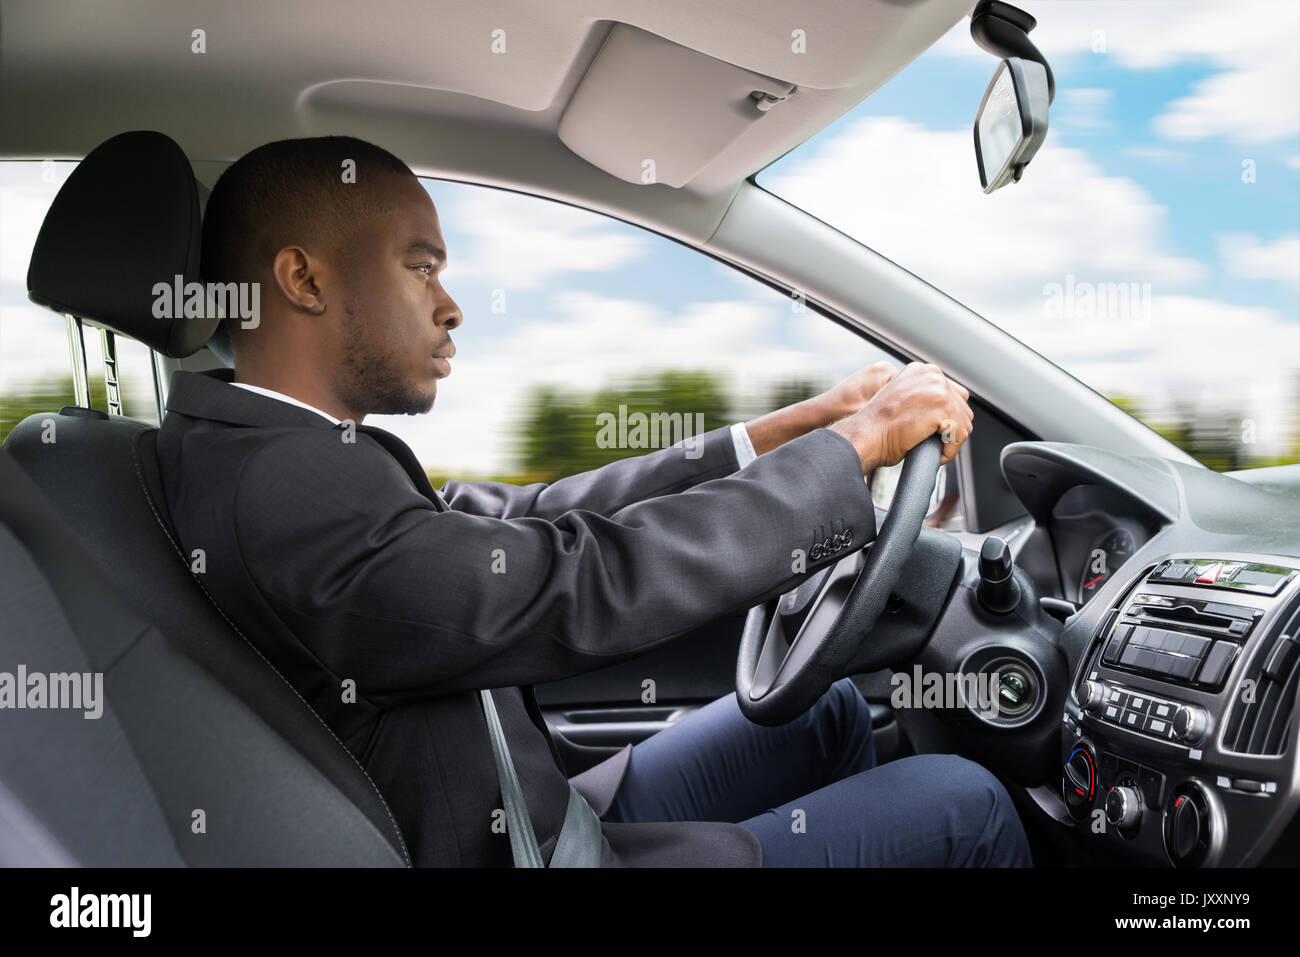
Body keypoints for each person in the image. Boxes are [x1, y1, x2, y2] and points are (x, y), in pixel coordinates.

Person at [156, 135, 1031, 867]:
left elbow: (525, 523)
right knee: (968, 802)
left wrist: (802, 427)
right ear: (304, 281)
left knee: (829, 708)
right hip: (527, 853)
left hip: (528, 808)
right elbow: (571, 583)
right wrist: (848, 455)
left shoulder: (278, 452)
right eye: (421, 268)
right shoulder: (277, 489)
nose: (451, 305)